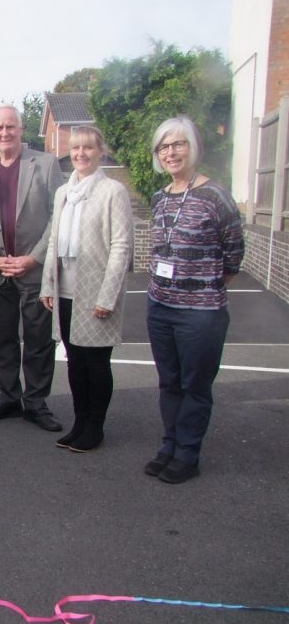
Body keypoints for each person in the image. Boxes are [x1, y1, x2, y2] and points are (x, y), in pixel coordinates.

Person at [143, 116, 244, 484]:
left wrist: (204, 286)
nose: (171, 152)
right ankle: (169, 445)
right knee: (168, 382)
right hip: (159, 304)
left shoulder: (215, 196)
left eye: (178, 144)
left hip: (200, 313)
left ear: (193, 148)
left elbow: (233, 253)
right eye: (164, 147)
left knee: (194, 384)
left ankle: (188, 454)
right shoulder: (160, 197)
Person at [0, 105, 65, 431]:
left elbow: (58, 216)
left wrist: (34, 257)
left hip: (34, 269)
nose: (4, 133)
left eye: (10, 126)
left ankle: (36, 402)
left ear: (21, 129)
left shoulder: (47, 164)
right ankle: (8, 396)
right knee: (2, 339)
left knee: (39, 340)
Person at [39, 126, 133, 452]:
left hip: (96, 291)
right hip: (65, 290)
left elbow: (121, 247)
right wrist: (48, 285)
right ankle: (79, 422)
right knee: (75, 361)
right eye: (76, 148)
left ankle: (95, 427)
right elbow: (53, 241)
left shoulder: (112, 191)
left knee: (95, 363)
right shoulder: (64, 192)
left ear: (100, 151)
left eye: (88, 148)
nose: (81, 154)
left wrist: (108, 296)